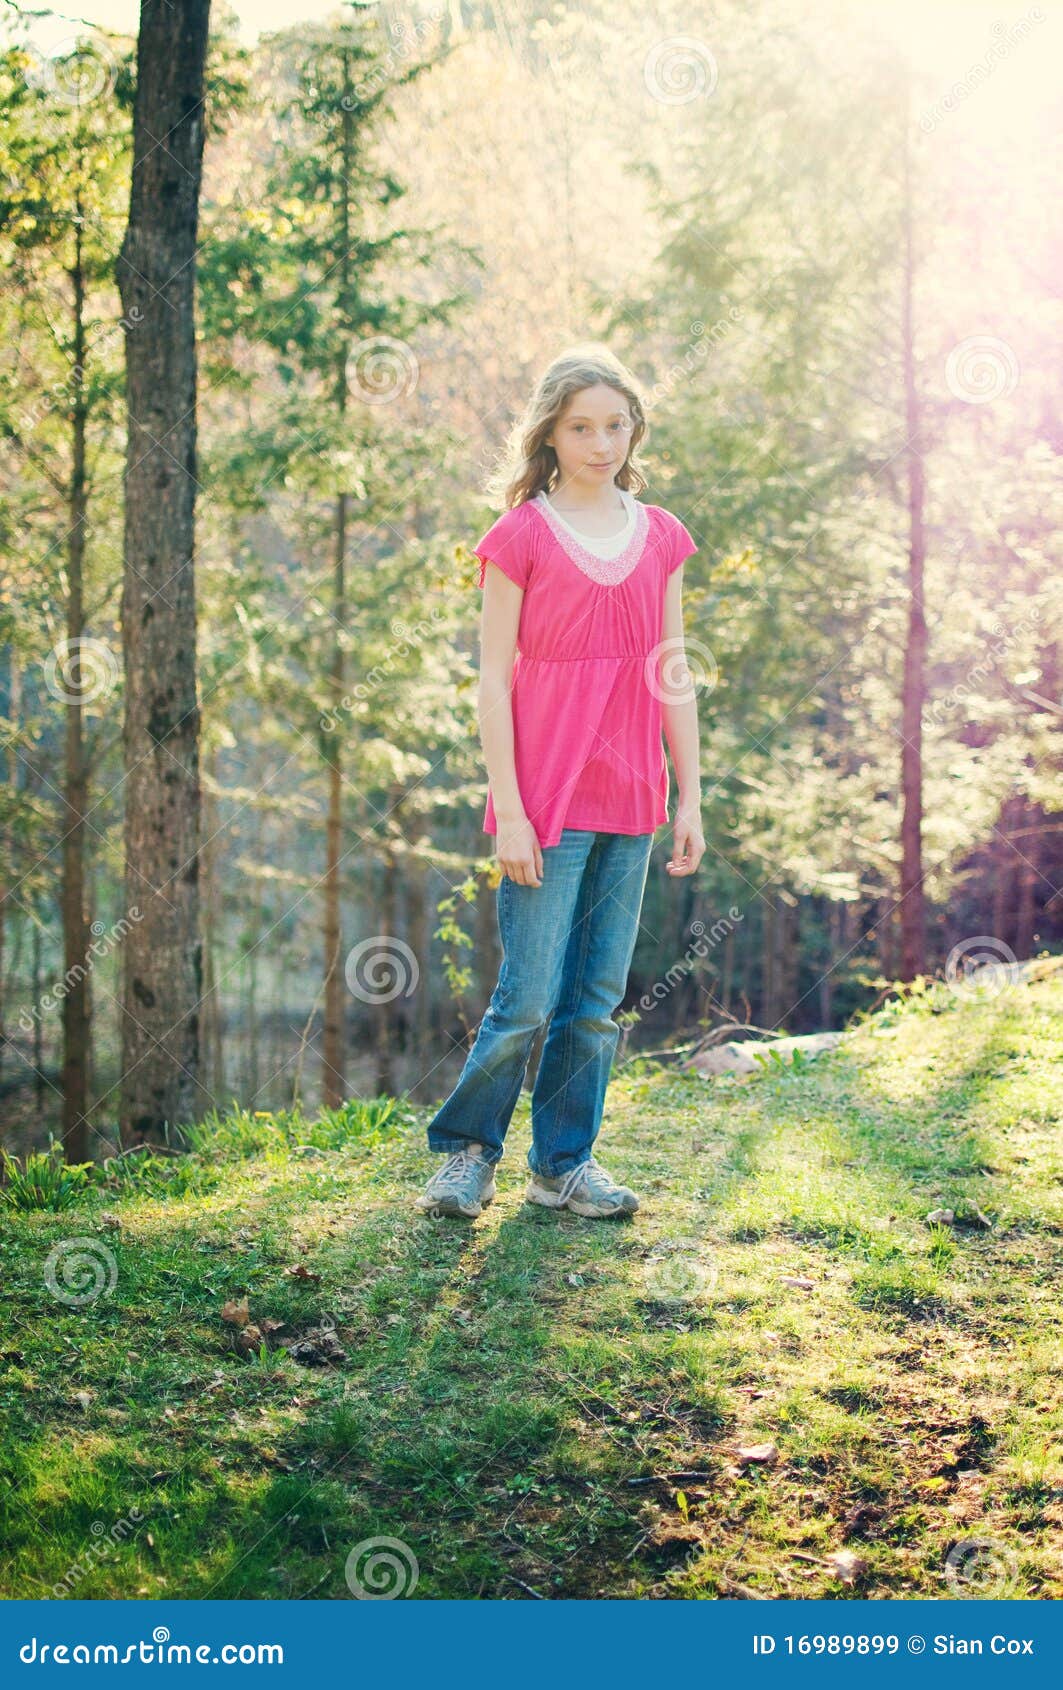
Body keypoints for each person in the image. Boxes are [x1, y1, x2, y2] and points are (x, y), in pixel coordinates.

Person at [416, 343, 705, 1220]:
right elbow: (492, 680)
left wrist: (688, 794)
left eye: (615, 424)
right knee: (527, 997)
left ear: (633, 430)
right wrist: (507, 808)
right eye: (581, 426)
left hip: (630, 800)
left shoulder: (659, 535)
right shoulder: (521, 536)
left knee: (594, 1002)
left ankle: (564, 1165)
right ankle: (466, 1154)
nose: (600, 441)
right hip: (542, 800)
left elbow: (671, 668)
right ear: (550, 432)